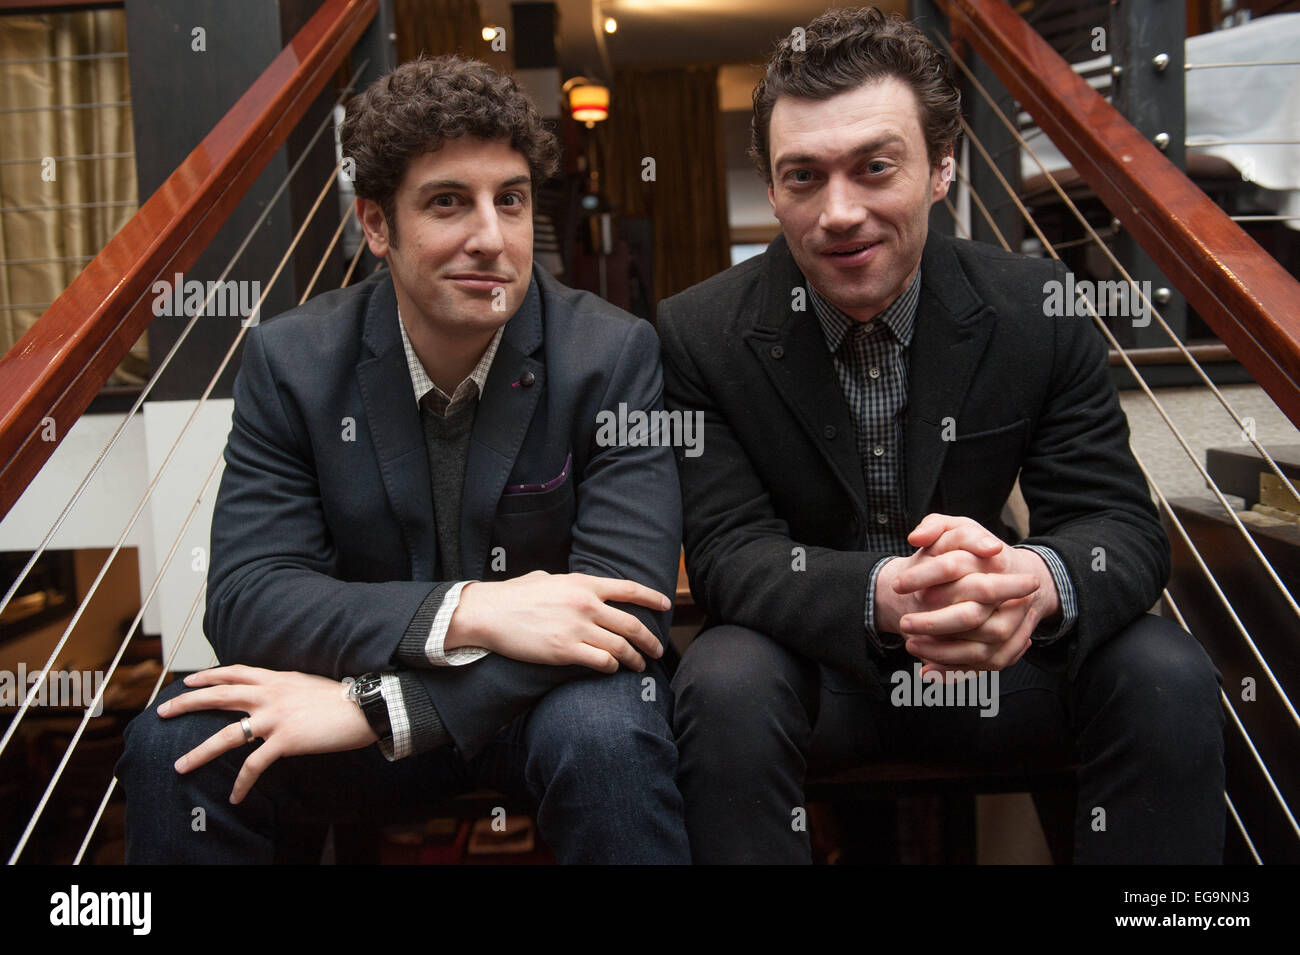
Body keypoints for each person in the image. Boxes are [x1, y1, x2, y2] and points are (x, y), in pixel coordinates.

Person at [658, 6, 1224, 864]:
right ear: (773, 190)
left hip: (1001, 666)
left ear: (941, 169)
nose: (838, 212)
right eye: (804, 178)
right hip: (817, 675)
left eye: (875, 167)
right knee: (722, 674)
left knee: (1164, 668)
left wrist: (1035, 582)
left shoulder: (1039, 310)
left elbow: (1118, 527)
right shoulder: (699, 332)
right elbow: (731, 553)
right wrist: (889, 593)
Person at [115, 55, 690, 864]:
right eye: (449, 202)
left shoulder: (611, 353)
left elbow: (627, 615)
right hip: (351, 708)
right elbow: (249, 597)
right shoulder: (294, 361)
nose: (490, 238)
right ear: (377, 225)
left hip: (542, 705)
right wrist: (470, 611)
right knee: (178, 739)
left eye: (512, 201)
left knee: (609, 726)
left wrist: (382, 706)